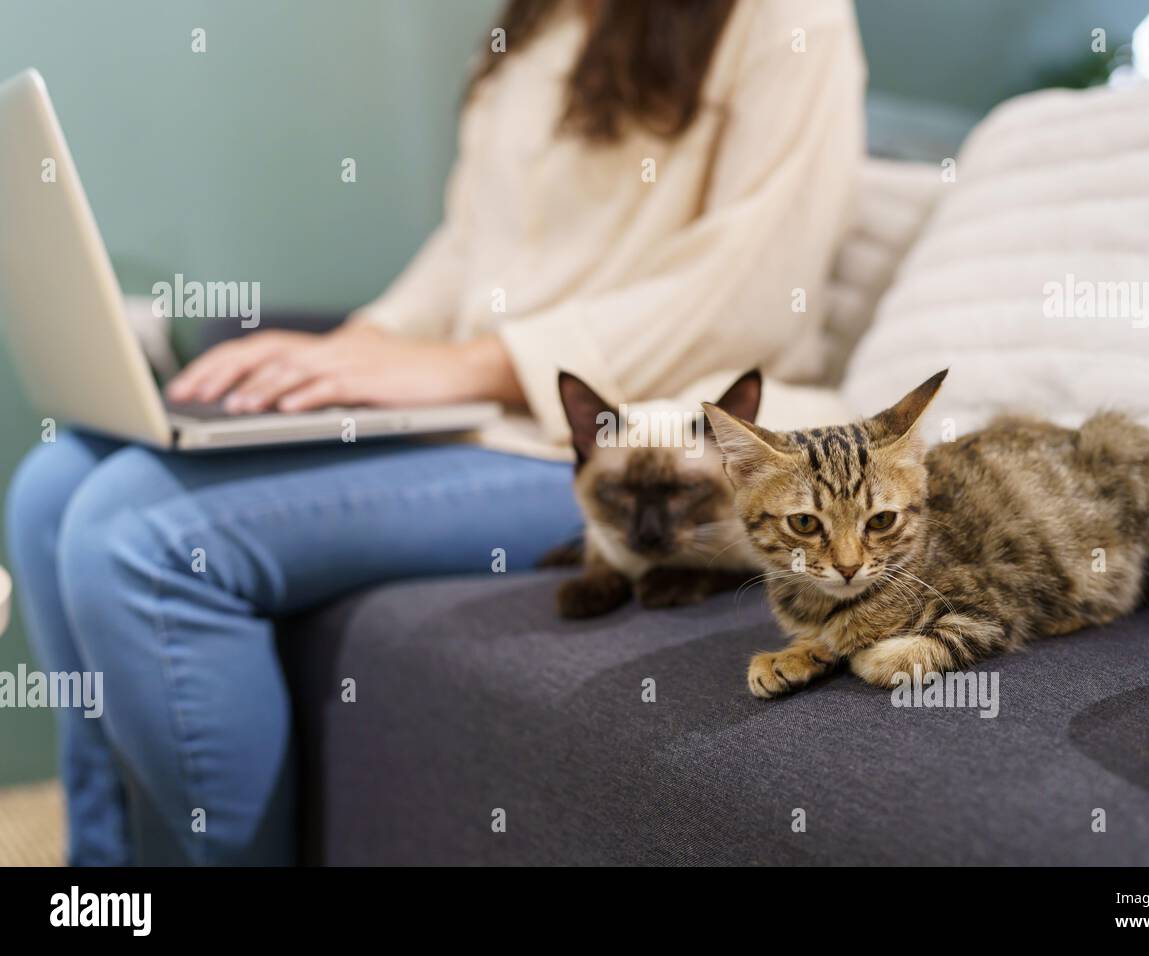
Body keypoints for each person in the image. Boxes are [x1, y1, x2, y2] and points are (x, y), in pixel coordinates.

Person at [4, 0, 864, 864]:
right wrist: (357, 347)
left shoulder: (791, 19)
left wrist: (476, 365)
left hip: (624, 446)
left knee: (133, 532)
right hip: (484, 404)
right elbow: (470, 250)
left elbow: (753, 283)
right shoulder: (537, 22)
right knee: (52, 486)